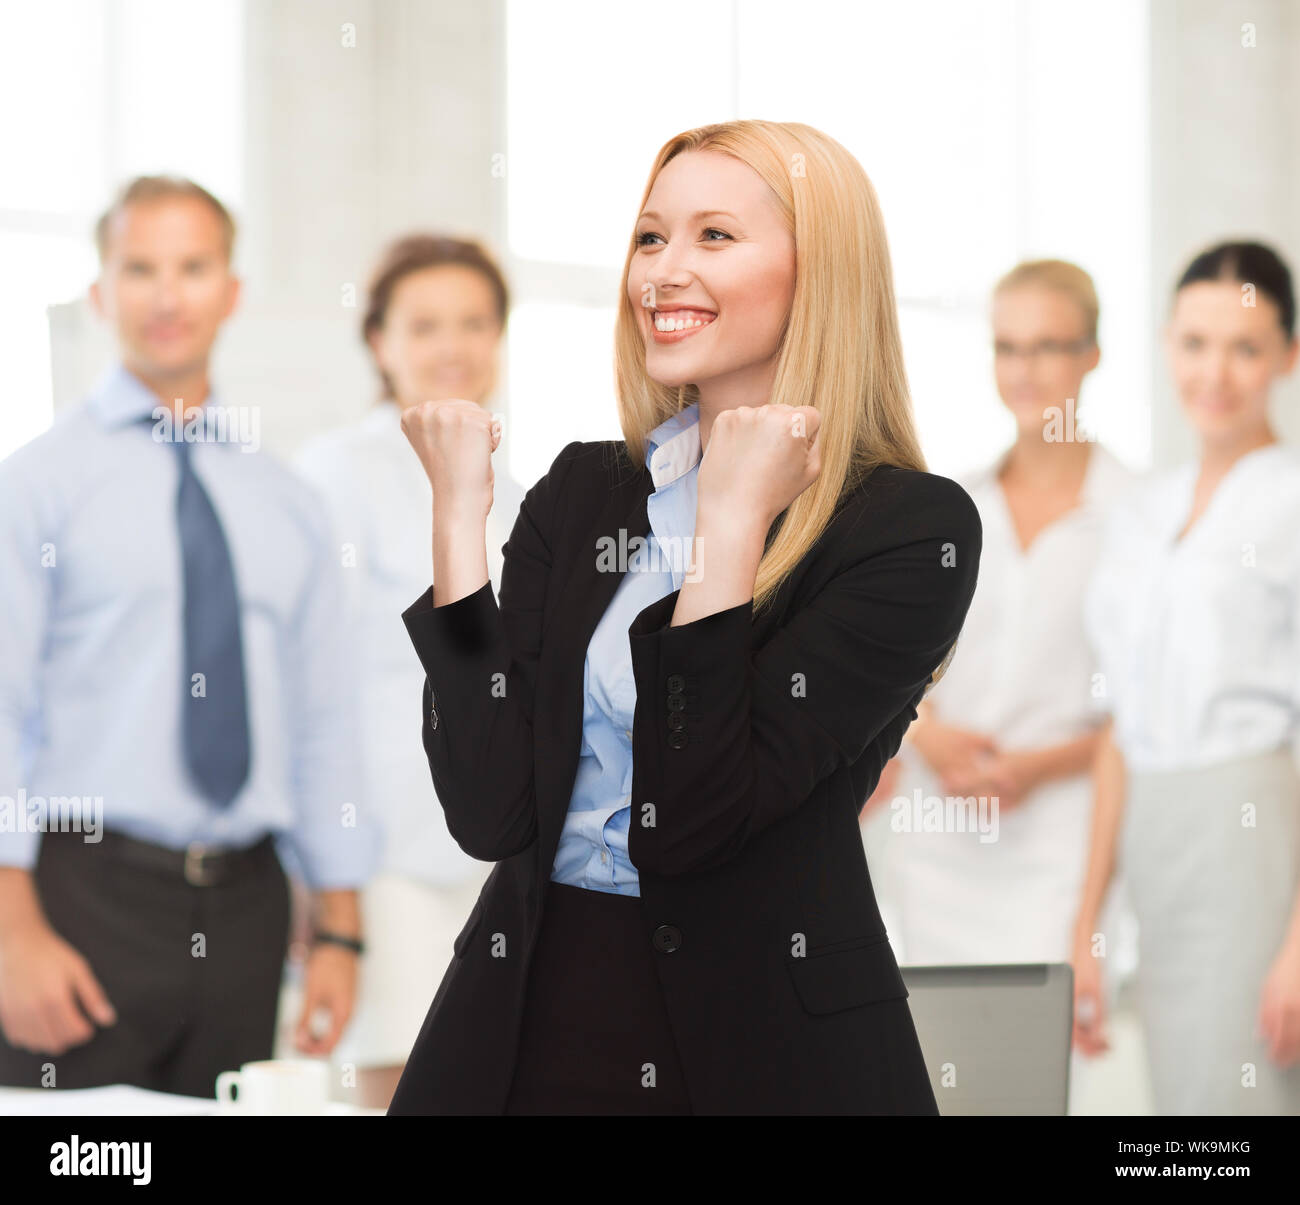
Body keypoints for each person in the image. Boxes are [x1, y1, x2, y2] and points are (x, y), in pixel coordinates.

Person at [385, 119, 982, 1116]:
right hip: (525, 1015)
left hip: (762, 1043)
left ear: (819, 272)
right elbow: (489, 807)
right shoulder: (583, 491)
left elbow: (693, 819)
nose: (662, 271)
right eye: (650, 237)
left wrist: (733, 518)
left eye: (714, 236)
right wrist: (456, 520)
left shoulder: (910, 529)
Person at [0, 176, 380, 1098]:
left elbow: (325, 718)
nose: (167, 296)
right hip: (81, 900)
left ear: (231, 291)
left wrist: (339, 928)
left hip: (248, 911)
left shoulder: (287, 503)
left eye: (193, 267)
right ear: (100, 292)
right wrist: (10, 932)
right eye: (140, 268)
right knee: (82, 1163)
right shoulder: (35, 486)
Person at [294, 234, 524, 1109]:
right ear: (379, 342)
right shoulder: (333, 474)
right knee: (400, 1078)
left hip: (504, 843)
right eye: (424, 324)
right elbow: (315, 686)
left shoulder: (528, 474)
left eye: (475, 321)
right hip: (387, 845)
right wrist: (324, 884)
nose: (453, 344)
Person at [1073, 241, 1300, 1114]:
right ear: (1168, 344)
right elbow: (1117, 729)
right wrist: (1090, 920)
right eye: (1196, 343)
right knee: (1184, 1105)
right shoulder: (1142, 513)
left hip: (1255, 837)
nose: (1217, 372)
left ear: (1286, 355)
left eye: (1246, 348)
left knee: (1245, 1099)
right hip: (1154, 844)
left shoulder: (1286, 501)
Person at [867, 260, 1135, 969]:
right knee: (932, 1066)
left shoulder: (1136, 514)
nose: (1025, 369)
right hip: (938, 838)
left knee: (1039, 1061)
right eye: (1007, 347)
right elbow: (892, 666)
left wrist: (1039, 766)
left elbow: (1139, 709)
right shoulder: (948, 505)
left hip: (1058, 842)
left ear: (1092, 356)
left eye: (1048, 346)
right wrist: (926, 734)